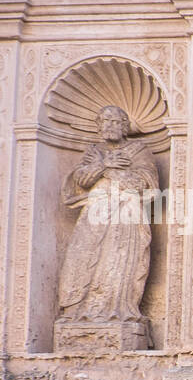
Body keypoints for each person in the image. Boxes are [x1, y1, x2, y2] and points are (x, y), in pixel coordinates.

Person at [56, 104, 158, 325]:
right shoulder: (94, 152)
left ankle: (116, 312)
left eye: (115, 122)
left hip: (125, 215)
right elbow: (81, 180)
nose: (109, 126)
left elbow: (144, 183)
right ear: (98, 126)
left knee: (118, 261)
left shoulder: (139, 151)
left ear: (125, 126)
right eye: (105, 121)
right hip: (95, 213)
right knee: (81, 258)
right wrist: (104, 165)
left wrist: (109, 171)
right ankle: (76, 312)